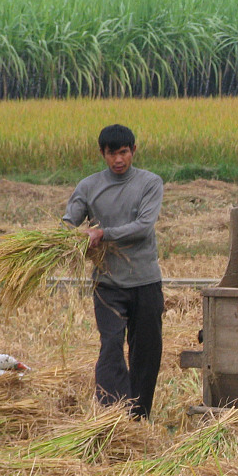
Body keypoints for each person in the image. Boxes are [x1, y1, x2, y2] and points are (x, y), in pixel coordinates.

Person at [62, 124, 165, 420]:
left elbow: (143, 226)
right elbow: (69, 224)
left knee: (146, 350)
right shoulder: (88, 186)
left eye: (123, 152)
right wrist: (74, 237)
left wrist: (102, 234)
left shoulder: (150, 183)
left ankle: (139, 416)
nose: (118, 160)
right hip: (107, 283)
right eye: (112, 154)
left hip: (145, 281)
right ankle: (112, 415)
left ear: (133, 151)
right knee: (110, 345)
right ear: (102, 154)